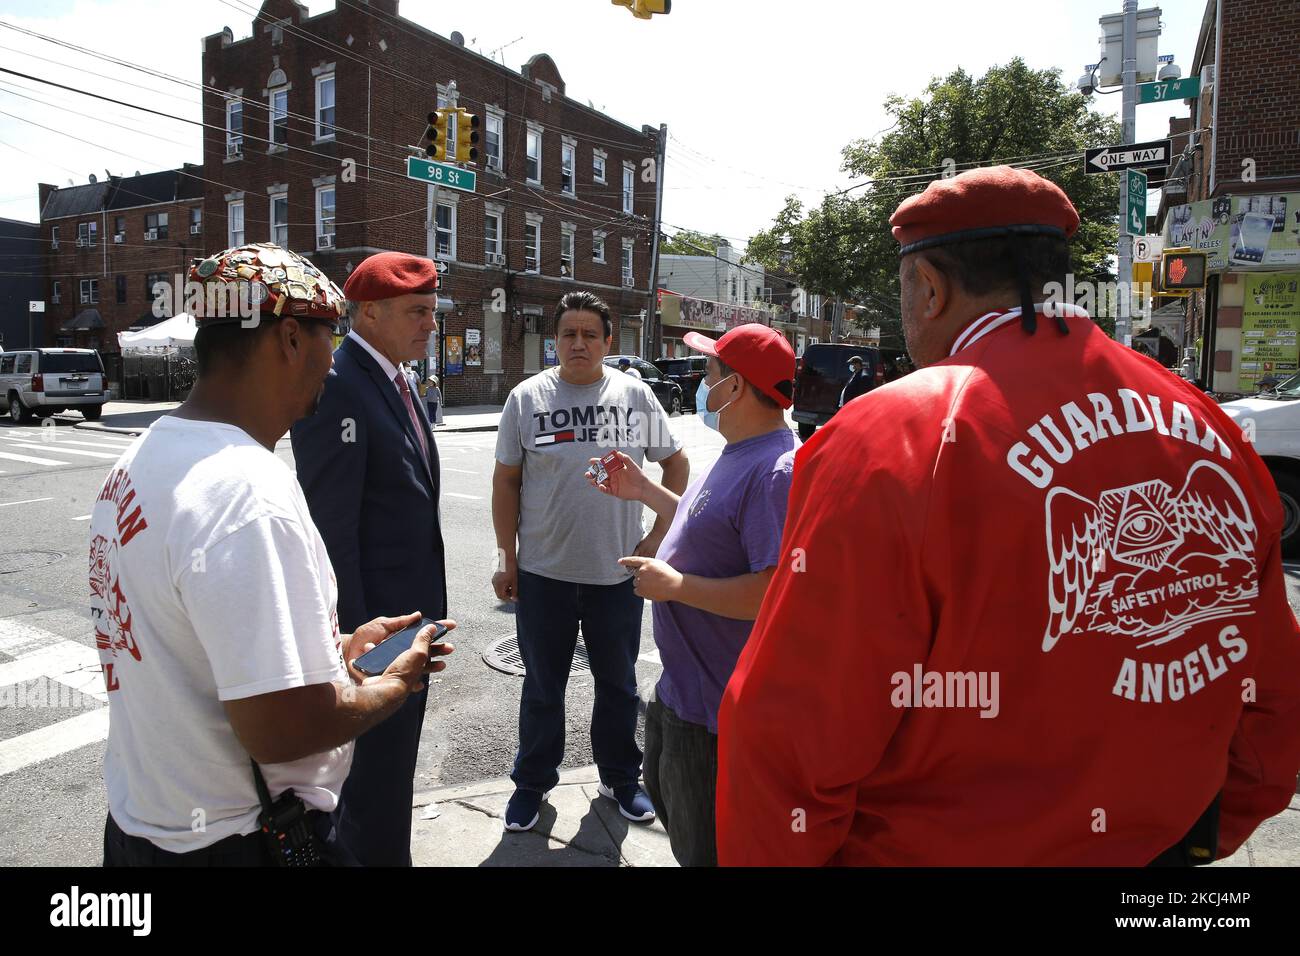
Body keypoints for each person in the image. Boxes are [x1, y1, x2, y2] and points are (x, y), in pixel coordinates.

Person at [716, 166, 1300, 866]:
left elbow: (790, 733)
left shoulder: (893, 433)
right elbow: (1270, 695)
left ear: (930, 288)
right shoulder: (1206, 423)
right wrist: (1189, 840)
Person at [93, 242, 454, 866]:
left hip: (146, 826)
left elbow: (197, 647)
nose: (332, 358)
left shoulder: (141, 459)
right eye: (330, 335)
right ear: (290, 337)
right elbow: (284, 728)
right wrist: (394, 681)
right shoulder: (245, 492)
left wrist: (332, 650)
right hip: (237, 839)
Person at [588, 324, 797, 866]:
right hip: (684, 690)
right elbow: (704, 525)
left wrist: (675, 585)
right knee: (678, 820)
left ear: (737, 387)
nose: (704, 385)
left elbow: (772, 590)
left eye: (711, 373)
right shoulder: (738, 450)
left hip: (716, 712)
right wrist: (645, 489)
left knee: (704, 848)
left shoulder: (775, 470)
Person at [492, 290, 690, 831]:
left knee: (619, 684)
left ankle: (622, 778)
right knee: (541, 687)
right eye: (567, 334)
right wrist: (506, 557)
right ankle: (531, 785)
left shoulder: (634, 396)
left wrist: (657, 537)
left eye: (589, 334)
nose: (578, 343)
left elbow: (675, 464)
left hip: (617, 574)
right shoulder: (527, 399)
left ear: (608, 341)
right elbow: (506, 482)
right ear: (555, 342)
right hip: (543, 574)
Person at [290, 251, 449, 866]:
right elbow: (332, 528)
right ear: (371, 312)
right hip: (375, 631)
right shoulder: (339, 382)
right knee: (374, 784)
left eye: (433, 311)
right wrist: (356, 645)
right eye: (417, 312)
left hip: (408, 622)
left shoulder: (397, 376)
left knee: (392, 774)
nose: (429, 325)